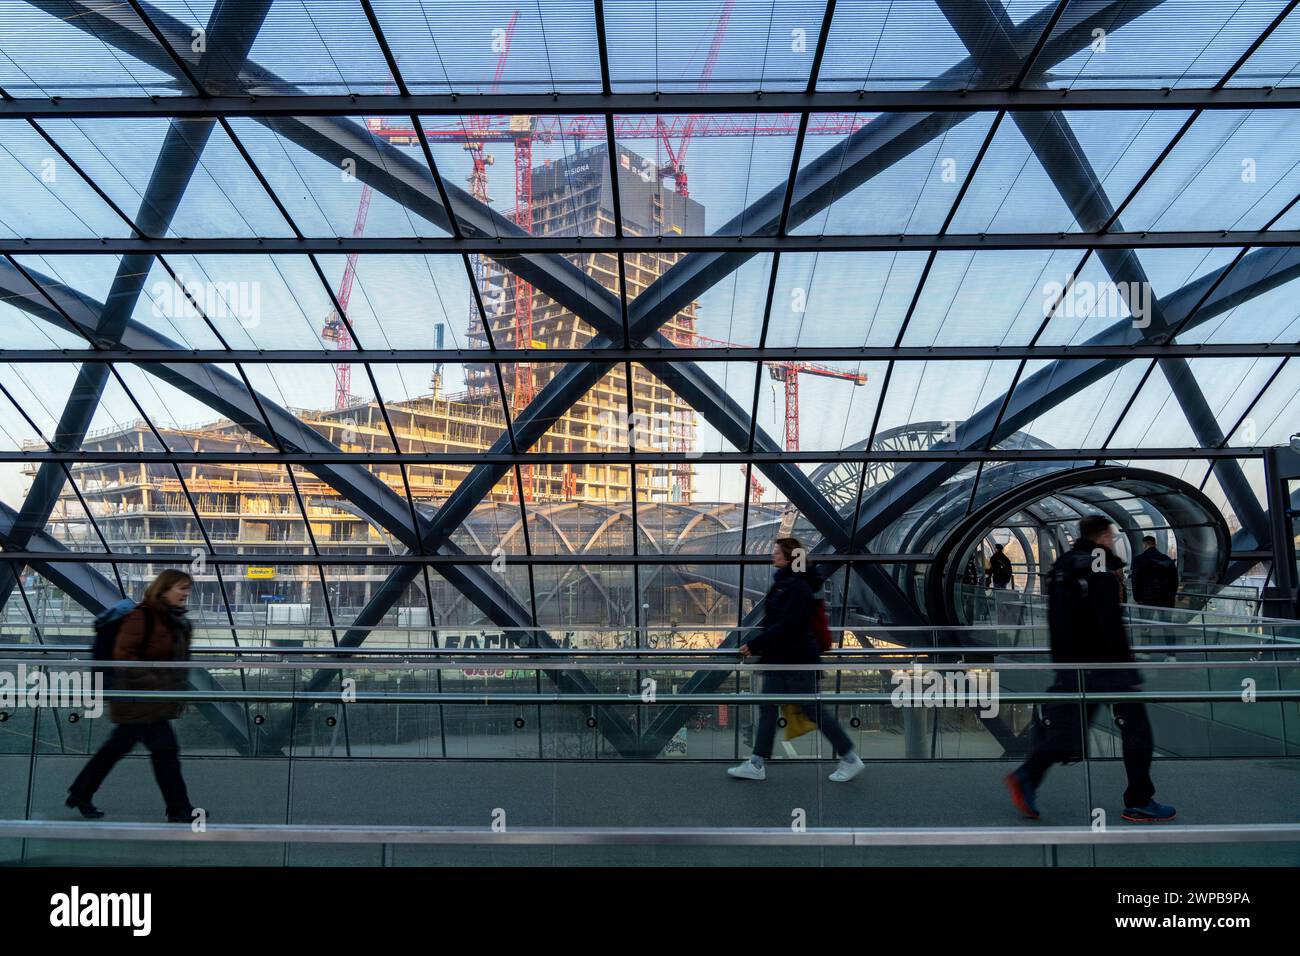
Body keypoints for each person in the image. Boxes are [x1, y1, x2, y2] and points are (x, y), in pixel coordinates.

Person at [1004, 516, 1175, 823]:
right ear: (1103, 537)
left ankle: (1027, 775)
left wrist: (1065, 664)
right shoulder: (1099, 567)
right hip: (1106, 665)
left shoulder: (1064, 566)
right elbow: (1109, 622)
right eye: (1110, 536)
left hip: (1073, 664)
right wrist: (1128, 671)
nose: (1112, 541)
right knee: (1137, 730)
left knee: (1068, 729)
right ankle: (1139, 800)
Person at [727, 537, 864, 783]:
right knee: (772, 709)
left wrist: (756, 644)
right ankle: (757, 762)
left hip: (794, 661)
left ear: (790, 557)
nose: (773, 555)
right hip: (783, 659)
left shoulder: (797, 586)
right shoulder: (790, 583)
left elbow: (788, 625)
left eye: (777, 552)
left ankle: (850, 758)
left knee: (811, 710)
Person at [67, 569, 199, 823]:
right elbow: (124, 656)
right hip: (140, 697)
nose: (186, 593)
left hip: (148, 700)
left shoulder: (171, 619)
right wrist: (155, 682)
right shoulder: (142, 617)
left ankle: (80, 793)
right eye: (181, 588)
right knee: (166, 751)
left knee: (117, 748)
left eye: (187, 588)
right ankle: (179, 809)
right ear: (163, 589)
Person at [1130, 535, 1178, 608]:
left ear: (1144, 545)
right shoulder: (1166, 558)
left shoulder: (1139, 559)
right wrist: (1172, 595)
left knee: (1146, 619)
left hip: (1147, 598)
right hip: (1166, 597)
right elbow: (1175, 579)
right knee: (1165, 619)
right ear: (1155, 544)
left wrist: (1137, 597)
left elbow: (1136, 580)